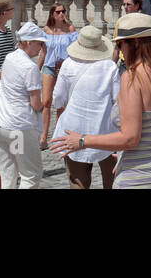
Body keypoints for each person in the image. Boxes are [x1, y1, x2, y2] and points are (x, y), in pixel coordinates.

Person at [50, 14, 151, 189]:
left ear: (135, 43)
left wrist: (82, 140)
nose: (120, 51)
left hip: (140, 178)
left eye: (120, 44)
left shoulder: (132, 77)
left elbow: (130, 138)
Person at [52, 25, 120, 188]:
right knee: (112, 181)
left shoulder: (68, 64)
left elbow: (57, 99)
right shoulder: (109, 66)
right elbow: (118, 100)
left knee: (78, 182)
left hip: (74, 129)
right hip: (105, 130)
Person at [0, 21, 48, 189]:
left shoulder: (10, 56)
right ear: (29, 43)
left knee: (7, 175)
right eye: (39, 43)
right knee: (30, 175)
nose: (41, 48)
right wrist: (46, 104)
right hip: (18, 128)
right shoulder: (30, 67)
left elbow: (0, 76)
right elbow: (35, 104)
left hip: (1, 123)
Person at [40, 2, 79, 149]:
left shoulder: (70, 29)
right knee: (46, 101)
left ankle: (59, 133)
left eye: (63, 11)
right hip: (49, 67)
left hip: (64, 68)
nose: (62, 14)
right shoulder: (46, 29)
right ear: (52, 14)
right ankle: (43, 135)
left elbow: (75, 50)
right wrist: (35, 68)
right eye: (58, 12)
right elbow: (43, 52)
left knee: (60, 102)